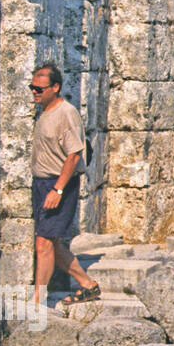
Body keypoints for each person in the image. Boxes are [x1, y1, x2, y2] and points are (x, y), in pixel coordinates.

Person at [29, 63, 100, 307]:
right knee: (52, 242)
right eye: (33, 88)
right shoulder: (45, 111)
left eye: (40, 88)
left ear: (55, 87)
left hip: (59, 185)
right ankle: (87, 284)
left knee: (44, 242)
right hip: (42, 184)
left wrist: (57, 190)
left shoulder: (66, 113)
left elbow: (74, 154)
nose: (35, 93)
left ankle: (38, 302)